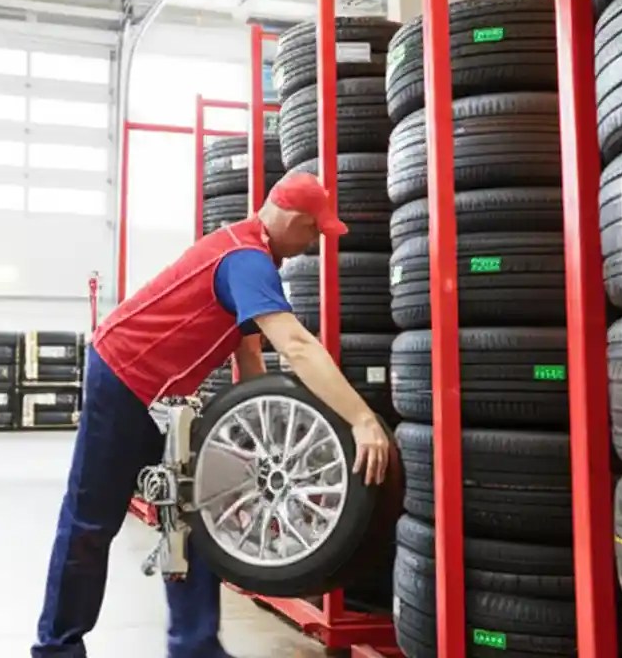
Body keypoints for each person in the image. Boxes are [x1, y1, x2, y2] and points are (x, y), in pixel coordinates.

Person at [31, 171, 393, 658]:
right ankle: (56, 648)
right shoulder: (246, 260)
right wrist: (362, 419)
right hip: (121, 373)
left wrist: (263, 444)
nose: (312, 244)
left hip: (161, 392)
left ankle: (195, 645)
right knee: (92, 521)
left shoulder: (248, 253)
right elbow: (298, 346)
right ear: (290, 218)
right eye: (312, 232)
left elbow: (251, 358)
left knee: (197, 504)